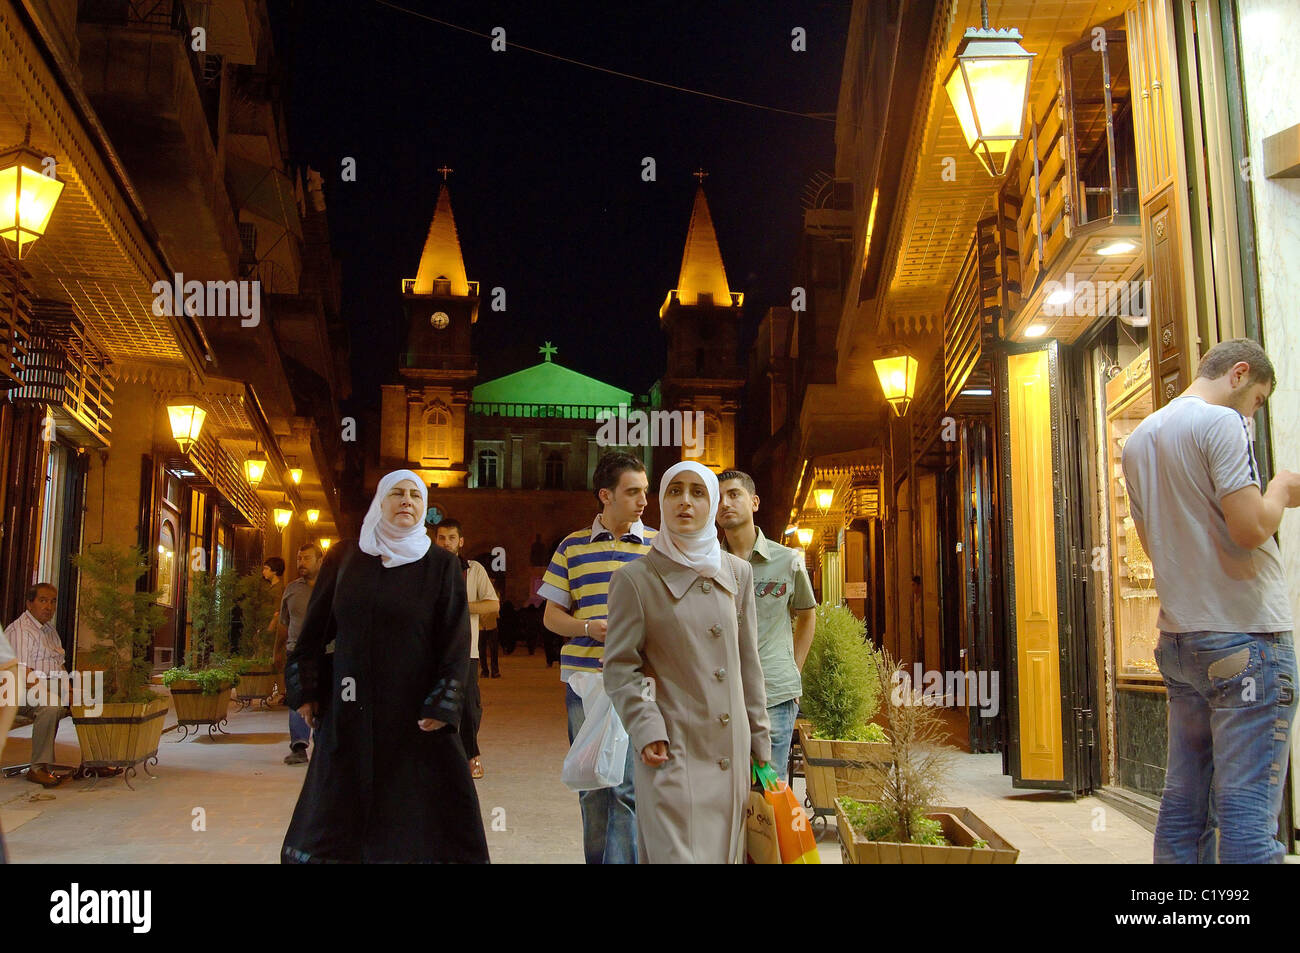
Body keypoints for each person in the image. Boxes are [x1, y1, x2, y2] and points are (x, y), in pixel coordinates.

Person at [1121, 339, 1300, 864]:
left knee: (1184, 804)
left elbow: (1153, 543)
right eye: (1259, 400)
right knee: (1246, 814)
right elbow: (1250, 528)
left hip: (1181, 641)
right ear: (1239, 374)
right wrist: (1282, 489)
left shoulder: (1139, 439)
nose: (1254, 413)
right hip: (1245, 636)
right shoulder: (1222, 423)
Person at [281, 470, 489, 863]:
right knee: (340, 815)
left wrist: (441, 707)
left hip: (415, 718)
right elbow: (313, 633)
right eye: (397, 493)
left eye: (414, 495)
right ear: (381, 501)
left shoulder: (441, 565)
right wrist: (305, 693)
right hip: (350, 711)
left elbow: (455, 645)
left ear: (423, 508)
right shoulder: (345, 557)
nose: (407, 501)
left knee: (416, 814)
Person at [604, 461, 771, 863]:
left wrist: (760, 746)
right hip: (671, 751)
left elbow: (749, 664)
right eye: (675, 491)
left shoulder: (738, 573)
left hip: (730, 755)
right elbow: (620, 666)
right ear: (661, 501)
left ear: (712, 502)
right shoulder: (635, 580)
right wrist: (646, 727)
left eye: (698, 492)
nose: (685, 501)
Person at [540, 450, 656, 864]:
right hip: (582, 682)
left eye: (645, 491)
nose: (644, 501)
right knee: (591, 786)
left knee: (627, 788)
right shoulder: (572, 547)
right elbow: (552, 617)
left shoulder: (658, 547)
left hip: (638, 683)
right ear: (605, 495)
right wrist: (588, 628)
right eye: (633, 492)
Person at [717, 469, 816, 782]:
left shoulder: (787, 560)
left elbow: (807, 613)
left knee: (768, 796)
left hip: (774, 694)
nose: (725, 503)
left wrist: (793, 670)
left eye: (734, 494)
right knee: (725, 794)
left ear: (754, 502)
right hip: (721, 698)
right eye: (718, 497)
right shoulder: (708, 565)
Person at [434, 520, 498, 780]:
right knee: (434, 704)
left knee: (470, 707)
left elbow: (493, 604)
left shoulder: (474, 570)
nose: (446, 542)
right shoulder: (427, 570)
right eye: (441, 537)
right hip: (433, 651)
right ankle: (439, 758)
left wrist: (461, 606)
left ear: (461, 541)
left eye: (451, 537)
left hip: (466, 651)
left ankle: (471, 755)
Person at [8, 584, 71, 787]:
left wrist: (69, 689)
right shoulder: (21, 630)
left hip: (49, 686)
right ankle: (38, 768)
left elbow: (59, 663)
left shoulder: (50, 630)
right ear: (29, 603)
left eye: (53, 601)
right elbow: (23, 673)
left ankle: (95, 762)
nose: (49, 606)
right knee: (51, 706)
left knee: (91, 698)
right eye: (43, 600)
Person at [280, 543, 323, 765]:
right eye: (299, 558)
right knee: (297, 696)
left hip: (326, 651)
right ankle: (298, 746)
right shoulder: (292, 589)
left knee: (322, 698)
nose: (301, 563)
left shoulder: (330, 587)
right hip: (296, 651)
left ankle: (321, 744)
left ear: (319, 560)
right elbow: (285, 620)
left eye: (306, 558)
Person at [262, 557, 286, 702]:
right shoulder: (269, 587)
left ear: (274, 571)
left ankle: (281, 692)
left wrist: (270, 628)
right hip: (267, 626)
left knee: (277, 660)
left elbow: (277, 611)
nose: (263, 571)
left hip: (275, 629)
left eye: (266, 569)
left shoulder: (279, 590)